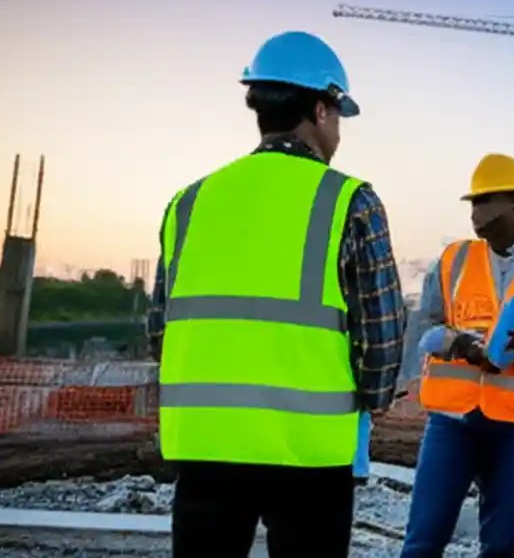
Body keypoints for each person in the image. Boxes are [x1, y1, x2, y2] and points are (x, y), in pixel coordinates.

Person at [146, 31, 406, 558]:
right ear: (320, 109)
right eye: (337, 114)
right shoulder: (350, 201)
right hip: (309, 452)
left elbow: (159, 332)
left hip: (205, 444)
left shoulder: (190, 202)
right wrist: (372, 403)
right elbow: (381, 335)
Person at [401, 155, 514, 558]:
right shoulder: (453, 261)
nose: (479, 216)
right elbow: (424, 332)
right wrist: (457, 344)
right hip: (453, 422)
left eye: (489, 204)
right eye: (474, 206)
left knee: (501, 543)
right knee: (424, 537)